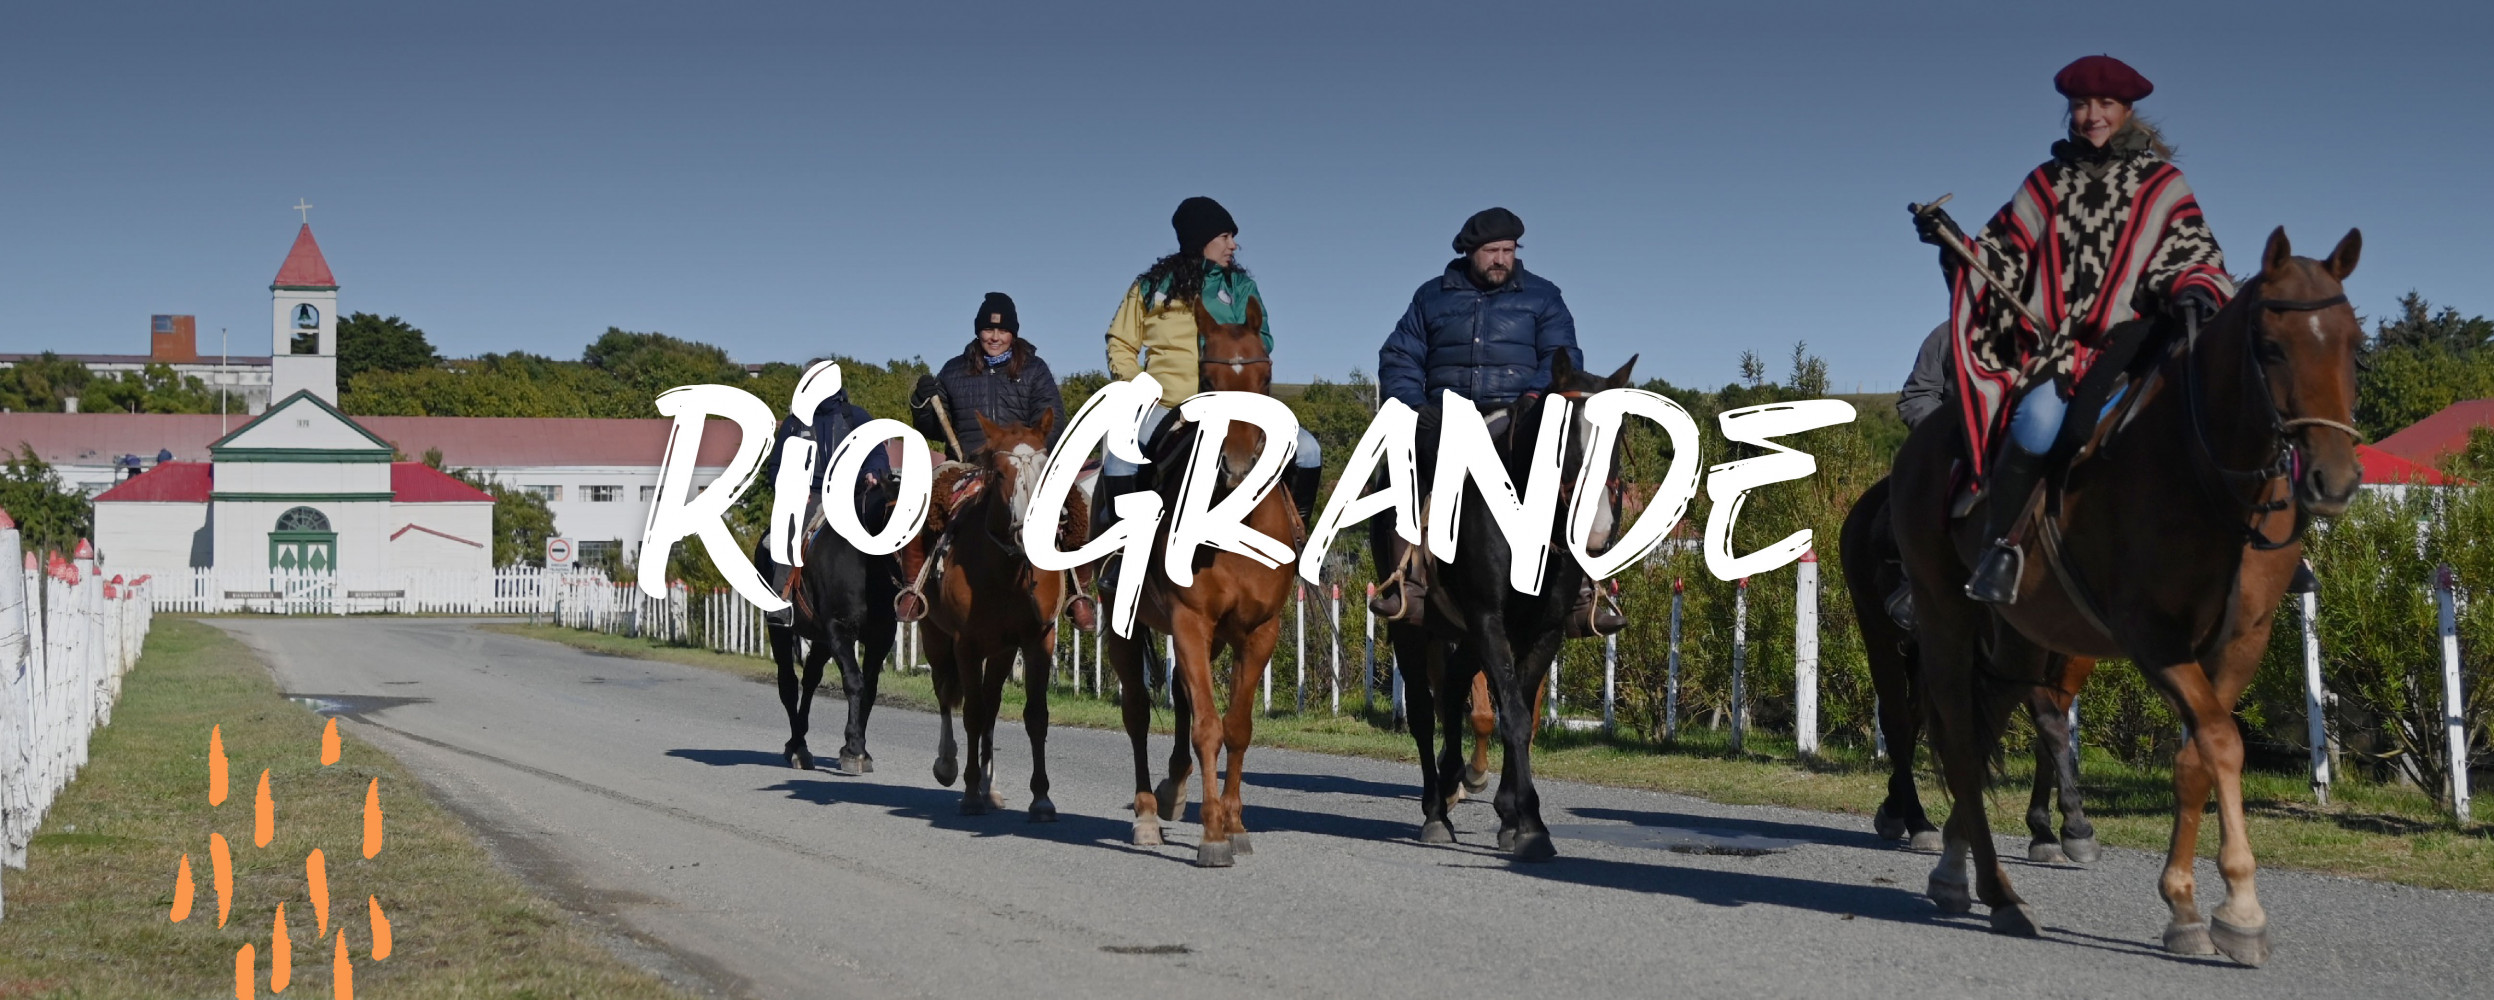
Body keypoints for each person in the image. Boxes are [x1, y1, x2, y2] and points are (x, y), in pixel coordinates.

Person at [1917, 54, 2233, 605]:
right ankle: (2003, 548)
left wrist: (2196, 287)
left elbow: (2192, 252)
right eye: (2081, 104)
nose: (2092, 115)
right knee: (2037, 426)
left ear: (2127, 109)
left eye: (2104, 104)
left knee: (2226, 402)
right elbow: (2002, 258)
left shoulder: (2162, 184)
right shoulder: (2044, 184)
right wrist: (1956, 244)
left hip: (2140, 340)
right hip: (2057, 351)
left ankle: (2252, 548)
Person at [1371, 206, 1619, 636]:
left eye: (1508, 250)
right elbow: (1399, 357)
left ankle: (1583, 592)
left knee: (1575, 473)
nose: (1501, 258)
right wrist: (1416, 408)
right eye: (1491, 251)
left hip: (1518, 414)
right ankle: (1406, 582)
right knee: (1402, 467)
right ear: (1470, 252)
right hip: (1445, 417)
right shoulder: (1431, 297)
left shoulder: (1544, 297)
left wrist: (1534, 396)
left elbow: (1563, 357)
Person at [1095, 196, 1325, 539]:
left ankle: (1298, 536)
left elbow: (1263, 340)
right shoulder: (1150, 288)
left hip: (1238, 405)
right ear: (1201, 239)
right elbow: (1121, 342)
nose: (1234, 245)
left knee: (1309, 451)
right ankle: (1119, 553)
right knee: (1119, 461)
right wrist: (1138, 391)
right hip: (1167, 406)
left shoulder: (1241, 287)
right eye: (1225, 236)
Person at [900, 292, 1090, 627]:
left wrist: (1029, 454)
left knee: (1078, 503)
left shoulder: (1034, 369)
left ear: (1013, 333)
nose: (995, 336)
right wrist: (921, 401)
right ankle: (913, 589)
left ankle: (1078, 593)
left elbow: (1052, 419)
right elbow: (931, 424)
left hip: (1022, 463)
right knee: (919, 502)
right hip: (965, 463)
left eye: (1002, 331)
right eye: (988, 329)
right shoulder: (954, 370)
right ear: (978, 331)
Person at [754, 383, 889, 626]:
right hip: (811, 495)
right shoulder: (794, 423)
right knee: (787, 535)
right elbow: (776, 466)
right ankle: (780, 601)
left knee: (889, 527)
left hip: (855, 492)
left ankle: (899, 596)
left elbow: (877, 450)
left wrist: (874, 471)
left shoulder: (855, 416)